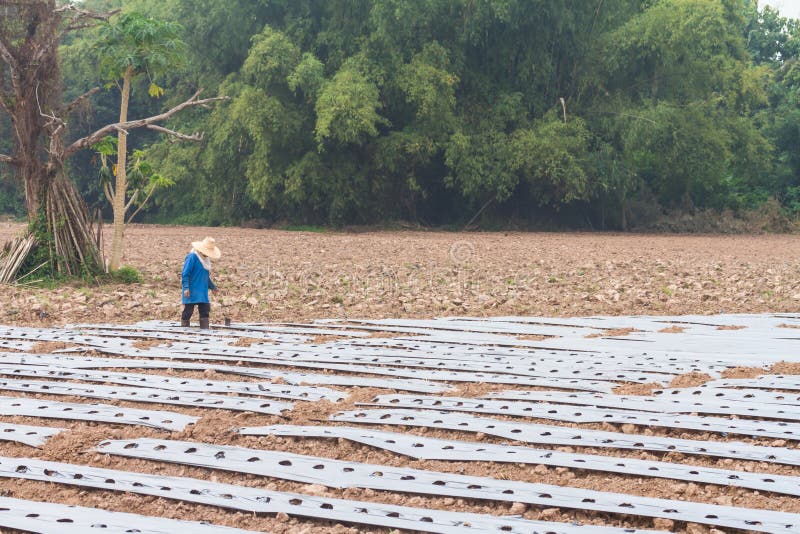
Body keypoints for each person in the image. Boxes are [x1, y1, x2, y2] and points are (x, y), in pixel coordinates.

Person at [181, 236, 220, 329]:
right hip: (191, 289)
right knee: (188, 311)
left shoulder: (205, 260)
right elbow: (185, 274)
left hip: (202, 290)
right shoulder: (192, 257)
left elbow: (205, 277)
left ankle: (204, 331)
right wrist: (186, 288)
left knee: (205, 310)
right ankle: (184, 330)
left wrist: (213, 287)